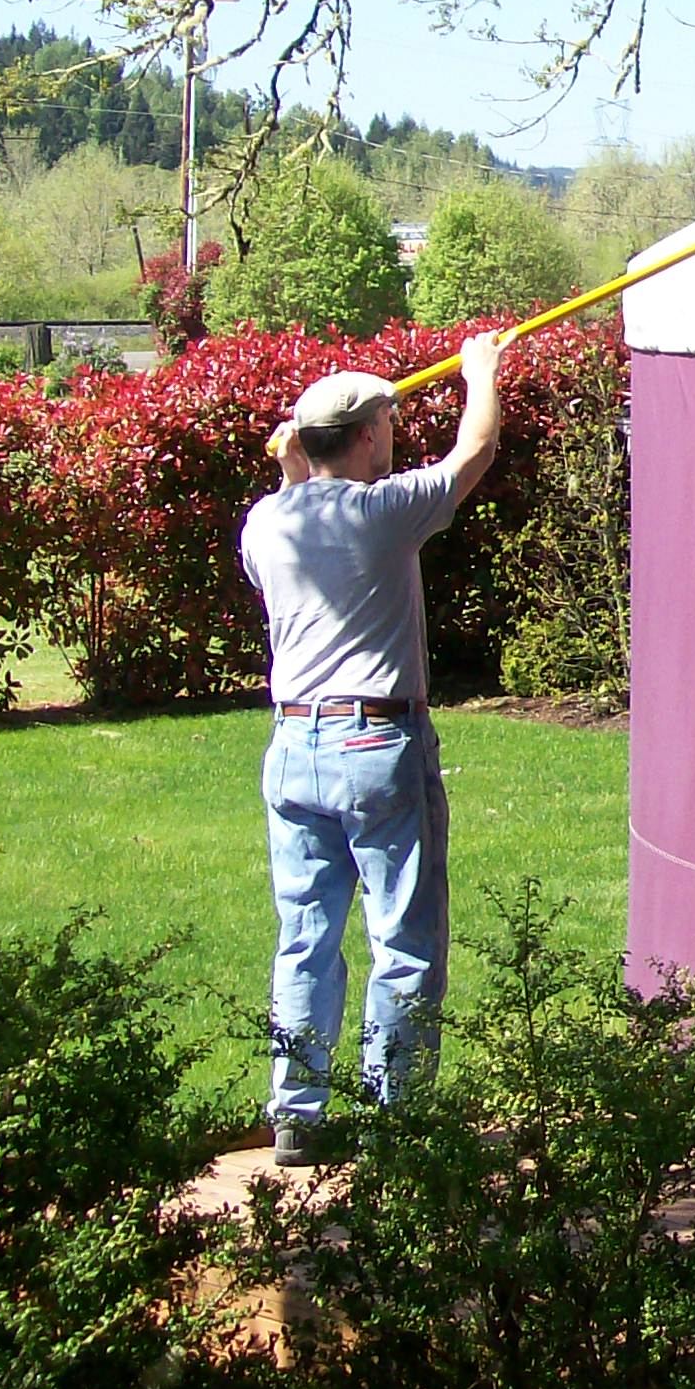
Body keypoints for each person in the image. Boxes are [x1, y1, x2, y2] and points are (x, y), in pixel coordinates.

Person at [241, 333, 504, 1164]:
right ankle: (396, 1121)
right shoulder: (381, 513)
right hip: (376, 742)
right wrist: (482, 372)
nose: (394, 434)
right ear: (362, 438)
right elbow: (474, 452)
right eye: (387, 424)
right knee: (403, 939)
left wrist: (293, 471)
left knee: (305, 938)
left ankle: (298, 1113)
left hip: (294, 745)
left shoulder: (267, 520)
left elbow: (301, 515)